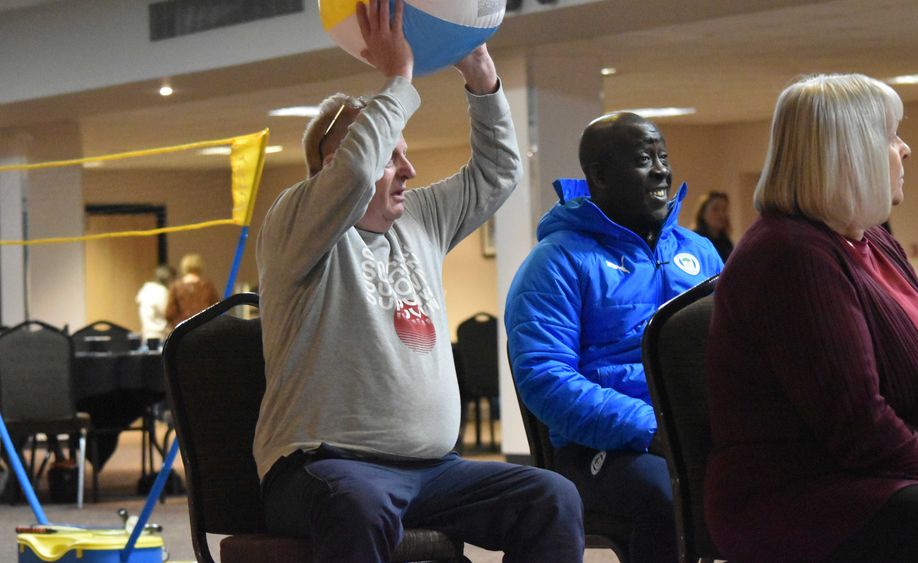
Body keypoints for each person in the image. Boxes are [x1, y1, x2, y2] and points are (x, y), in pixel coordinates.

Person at [252, 1, 584, 561]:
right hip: (323, 468)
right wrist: (397, 76)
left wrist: (479, 71)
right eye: (392, 156)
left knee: (550, 496)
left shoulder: (421, 222)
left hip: (433, 471)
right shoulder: (296, 224)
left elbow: (498, 172)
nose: (407, 170)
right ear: (332, 166)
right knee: (357, 502)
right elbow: (356, 172)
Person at [705, 73, 918, 563]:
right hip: (799, 492)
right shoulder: (790, 255)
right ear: (850, 151)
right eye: (890, 136)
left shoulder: (873, 239)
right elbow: (859, 423)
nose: (905, 150)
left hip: (889, 471)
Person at [505, 111, 723, 562]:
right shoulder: (556, 261)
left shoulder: (699, 251)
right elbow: (545, 378)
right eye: (645, 158)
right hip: (598, 448)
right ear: (600, 176)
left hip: (697, 435)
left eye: (663, 156)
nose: (662, 169)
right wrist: (648, 427)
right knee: (667, 497)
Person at [165, 253, 219, 330]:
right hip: (204, 327)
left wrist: (177, 327)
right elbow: (216, 308)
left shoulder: (176, 286)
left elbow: (170, 313)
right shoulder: (207, 285)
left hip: (183, 329)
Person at [135, 264, 174, 343]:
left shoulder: (147, 290)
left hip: (147, 333)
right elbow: (166, 313)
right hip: (161, 335)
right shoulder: (162, 292)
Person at [692, 191, 733, 262]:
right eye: (715, 209)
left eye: (724, 209)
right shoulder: (694, 241)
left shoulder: (726, 243)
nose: (721, 214)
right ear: (703, 213)